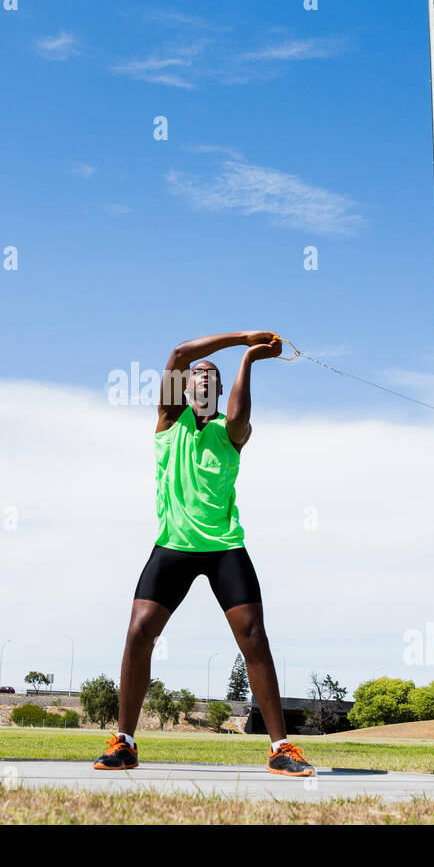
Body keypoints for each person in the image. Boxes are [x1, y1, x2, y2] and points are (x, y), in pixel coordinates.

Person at [93, 330, 314, 776]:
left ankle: (281, 748)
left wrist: (249, 360)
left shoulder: (229, 433)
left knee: (254, 637)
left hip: (223, 548)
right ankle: (125, 742)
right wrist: (241, 338)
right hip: (173, 545)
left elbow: (239, 414)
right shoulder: (168, 422)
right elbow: (177, 352)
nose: (204, 379)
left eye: (213, 377)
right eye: (198, 376)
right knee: (139, 633)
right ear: (186, 388)